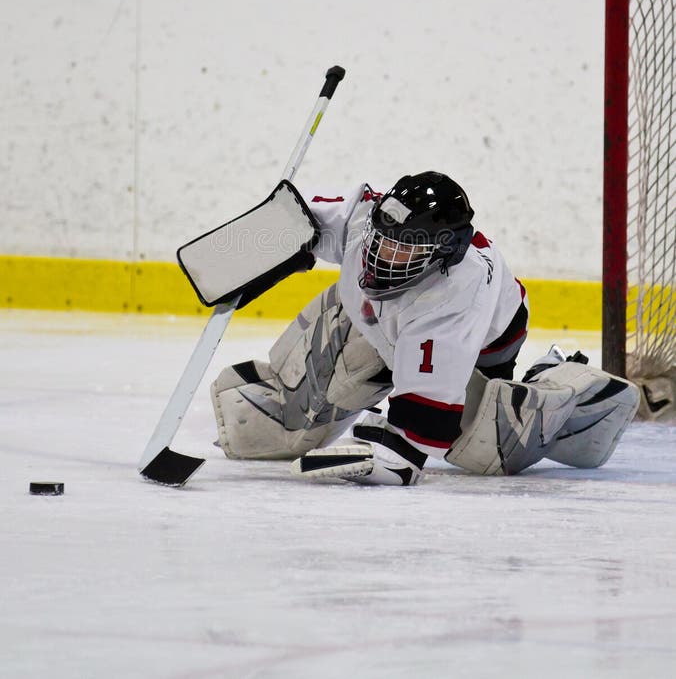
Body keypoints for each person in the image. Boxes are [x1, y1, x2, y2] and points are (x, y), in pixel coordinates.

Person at [211, 171, 639, 486]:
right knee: (291, 411)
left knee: (485, 444)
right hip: (386, 322)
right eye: (383, 240)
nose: (381, 256)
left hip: (483, 347)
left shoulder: (454, 302)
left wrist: (388, 454)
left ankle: (566, 384)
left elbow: (411, 449)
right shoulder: (366, 219)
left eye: (403, 249)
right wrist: (254, 248)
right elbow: (302, 221)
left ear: (442, 255)